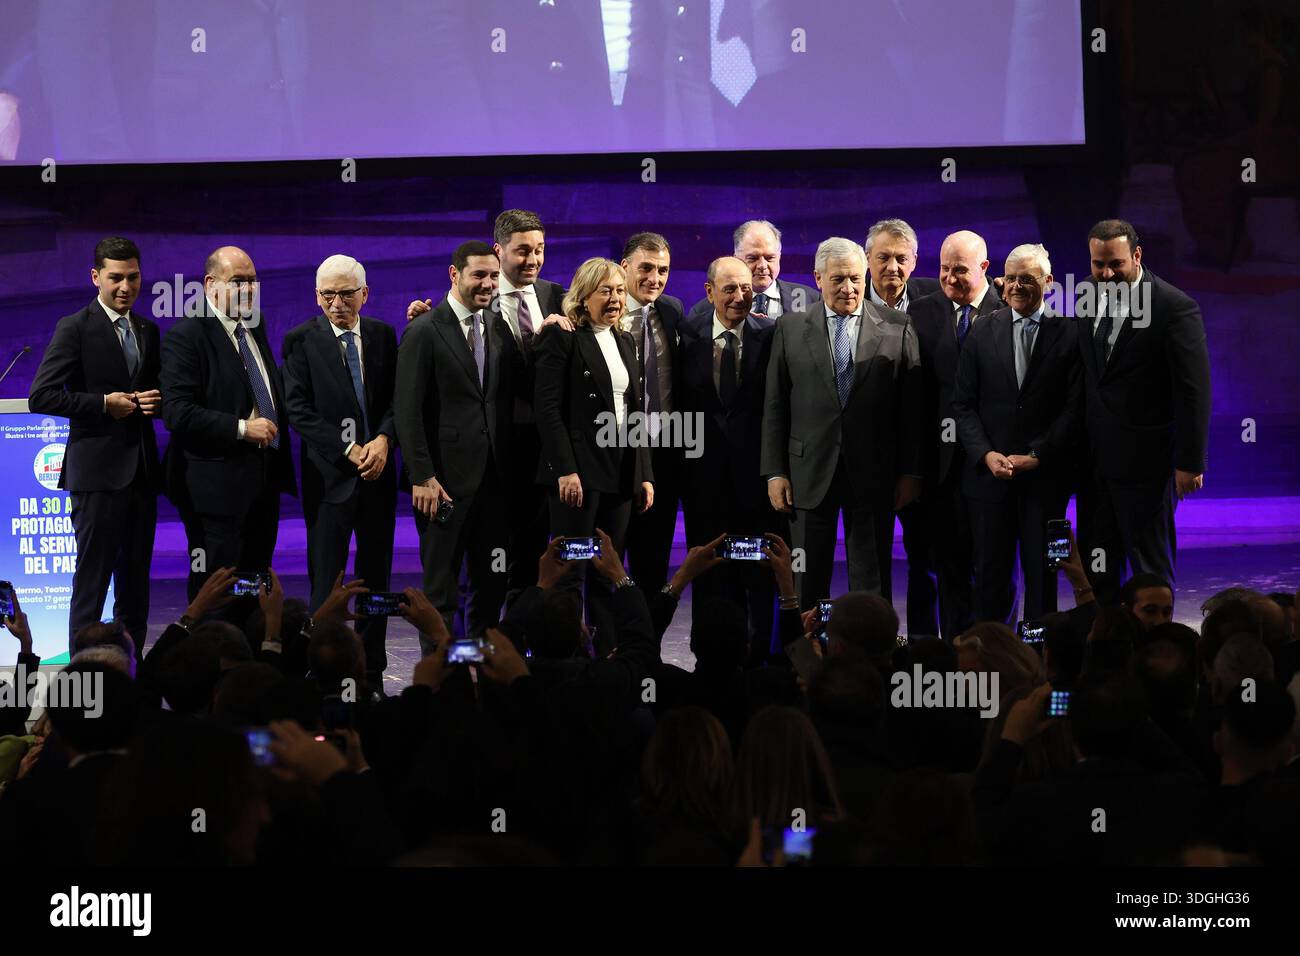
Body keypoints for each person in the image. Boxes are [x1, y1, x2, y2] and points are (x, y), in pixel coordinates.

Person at [406, 211, 569, 603]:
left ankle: (520, 647)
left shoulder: (559, 296)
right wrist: (420, 322)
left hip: (544, 460)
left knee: (528, 564)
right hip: (487, 461)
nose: (532, 260)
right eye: (522, 251)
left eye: (540, 250)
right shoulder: (475, 301)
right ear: (499, 252)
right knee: (478, 572)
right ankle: (464, 654)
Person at [761, 237, 922, 607]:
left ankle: (870, 657)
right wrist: (775, 472)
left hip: (874, 474)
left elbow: (911, 412)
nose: (848, 288)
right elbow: (775, 406)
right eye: (838, 280)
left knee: (872, 579)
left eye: (855, 279)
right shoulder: (789, 328)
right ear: (818, 278)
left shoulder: (899, 326)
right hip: (808, 472)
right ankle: (806, 659)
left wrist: (911, 473)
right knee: (805, 578)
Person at [28, 236, 161, 658]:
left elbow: (152, 396)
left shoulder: (148, 329)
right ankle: (83, 685)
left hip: (141, 475)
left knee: (135, 588)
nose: (126, 286)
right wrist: (105, 405)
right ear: (95, 277)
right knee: (91, 586)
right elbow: (42, 396)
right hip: (97, 478)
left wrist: (154, 403)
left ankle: (130, 680)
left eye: (133, 277)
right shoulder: (75, 327)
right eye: (116, 278)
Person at [1075, 219, 1211, 602]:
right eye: (1098, 264)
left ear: (1137, 256)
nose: (1106, 273)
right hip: (1095, 465)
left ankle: (1159, 649)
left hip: (1147, 467)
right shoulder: (1085, 292)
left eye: (1115, 264)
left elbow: (1193, 390)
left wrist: (1190, 460)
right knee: (1099, 568)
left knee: (1150, 572)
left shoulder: (1174, 307)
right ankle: (1107, 649)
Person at [393, 241, 516, 652]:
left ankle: (481, 671)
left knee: (490, 586)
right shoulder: (423, 330)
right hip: (442, 484)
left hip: (493, 485)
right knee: (441, 593)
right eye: (479, 275)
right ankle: (441, 680)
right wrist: (423, 476)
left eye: (494, 276)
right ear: (454, 274)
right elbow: (407, 412)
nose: (488, 283)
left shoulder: (497, 327)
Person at [281, 255, 398, 687]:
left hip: (379, 477)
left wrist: (384, 440)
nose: (336, 303)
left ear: (364, 294)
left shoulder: (385, 337)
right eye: (327, 295)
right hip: (330, 480)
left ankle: (371, 675)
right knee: (326, 583)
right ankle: (326, 674)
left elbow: (396, 401)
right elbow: (298, 410)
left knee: (376, 582)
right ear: (316, 296)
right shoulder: (299, 341)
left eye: (346, 294)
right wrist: (349, 449)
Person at [951, 243, 1082, 625]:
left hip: (1045, 481)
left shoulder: (1070, 335)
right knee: (991, 580)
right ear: (1001, 281)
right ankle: (994, 663)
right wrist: (986, 455)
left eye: (1028, 279)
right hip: (990, 482)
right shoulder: (981, 331)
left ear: (1049, 283)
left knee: (1043, 580)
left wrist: (1039, 454)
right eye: (1011, 278)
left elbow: (1074, 410)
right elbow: (963, 405)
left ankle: (1043, 664)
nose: (1017, 286)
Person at [160, 246, 296, 600]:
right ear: (209, 284)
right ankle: (209, 654)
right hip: (214, 488)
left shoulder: (254, 324)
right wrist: (242, 428)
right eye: (237, 281)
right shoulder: (187, 336)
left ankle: (249, 653)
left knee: (254, 587)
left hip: (262, 481)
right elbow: (177, 411)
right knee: (217, 591)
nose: (248, 289)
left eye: (252, 281)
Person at [533, 257, 653, 653]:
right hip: (578, 474)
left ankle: (607, 657)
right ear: (583, 296)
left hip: (619, 471)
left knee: (607, 572)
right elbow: (547, 409)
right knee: (569, 571)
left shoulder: (625, 340)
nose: (616, 299)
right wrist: (565, 470)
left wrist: (643, 474)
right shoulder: (563, 337)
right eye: (606, 291)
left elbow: (636, 411)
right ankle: (565, 656)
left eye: (620, 291)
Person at [679, 256, 788, 661]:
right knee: (709, 574)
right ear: (709, 293)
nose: (741, 297)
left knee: (759, 576)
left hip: (757, 482)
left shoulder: (773, 334)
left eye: (746, 288)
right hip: (703, 483)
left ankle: (760, 660)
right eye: (730, 289)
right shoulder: (685, 334)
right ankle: (711, 660)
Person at [907, 230, 1004, 639]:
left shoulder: (1008, 310)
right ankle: (954, 653)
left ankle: (997, 651)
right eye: (943, 269)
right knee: (947, 567)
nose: (949, 278)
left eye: (960, 270)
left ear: (984, 268)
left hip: (992, 464)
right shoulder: (923, 311)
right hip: (942, 470)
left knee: (995, 567)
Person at [862, 218, 941, 639]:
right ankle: (878, 646)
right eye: (883, 258)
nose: (892, 266)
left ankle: (926, 646)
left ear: (914, 261)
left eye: (901, 258)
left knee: (924, 560)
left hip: (923, 458)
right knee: (871, 563)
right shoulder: (847, 298)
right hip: (865, 459)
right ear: (867, 260)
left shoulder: (935, 296)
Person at [619, 232, 687, 599]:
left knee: (653, 561)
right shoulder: (601, 307)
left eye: (663, 270)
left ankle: (645, 650)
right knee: (608, 561)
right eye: (645, 268)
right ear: (624, 266)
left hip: (664, 452)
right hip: (614, 449)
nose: (654, 278)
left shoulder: (672, 311)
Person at [685, 220, 819, 331]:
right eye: (753, 258)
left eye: (770, 258)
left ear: (779, 256)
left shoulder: (811, 300)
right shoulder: (703, 310)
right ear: (736, 258)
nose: (762, 265)